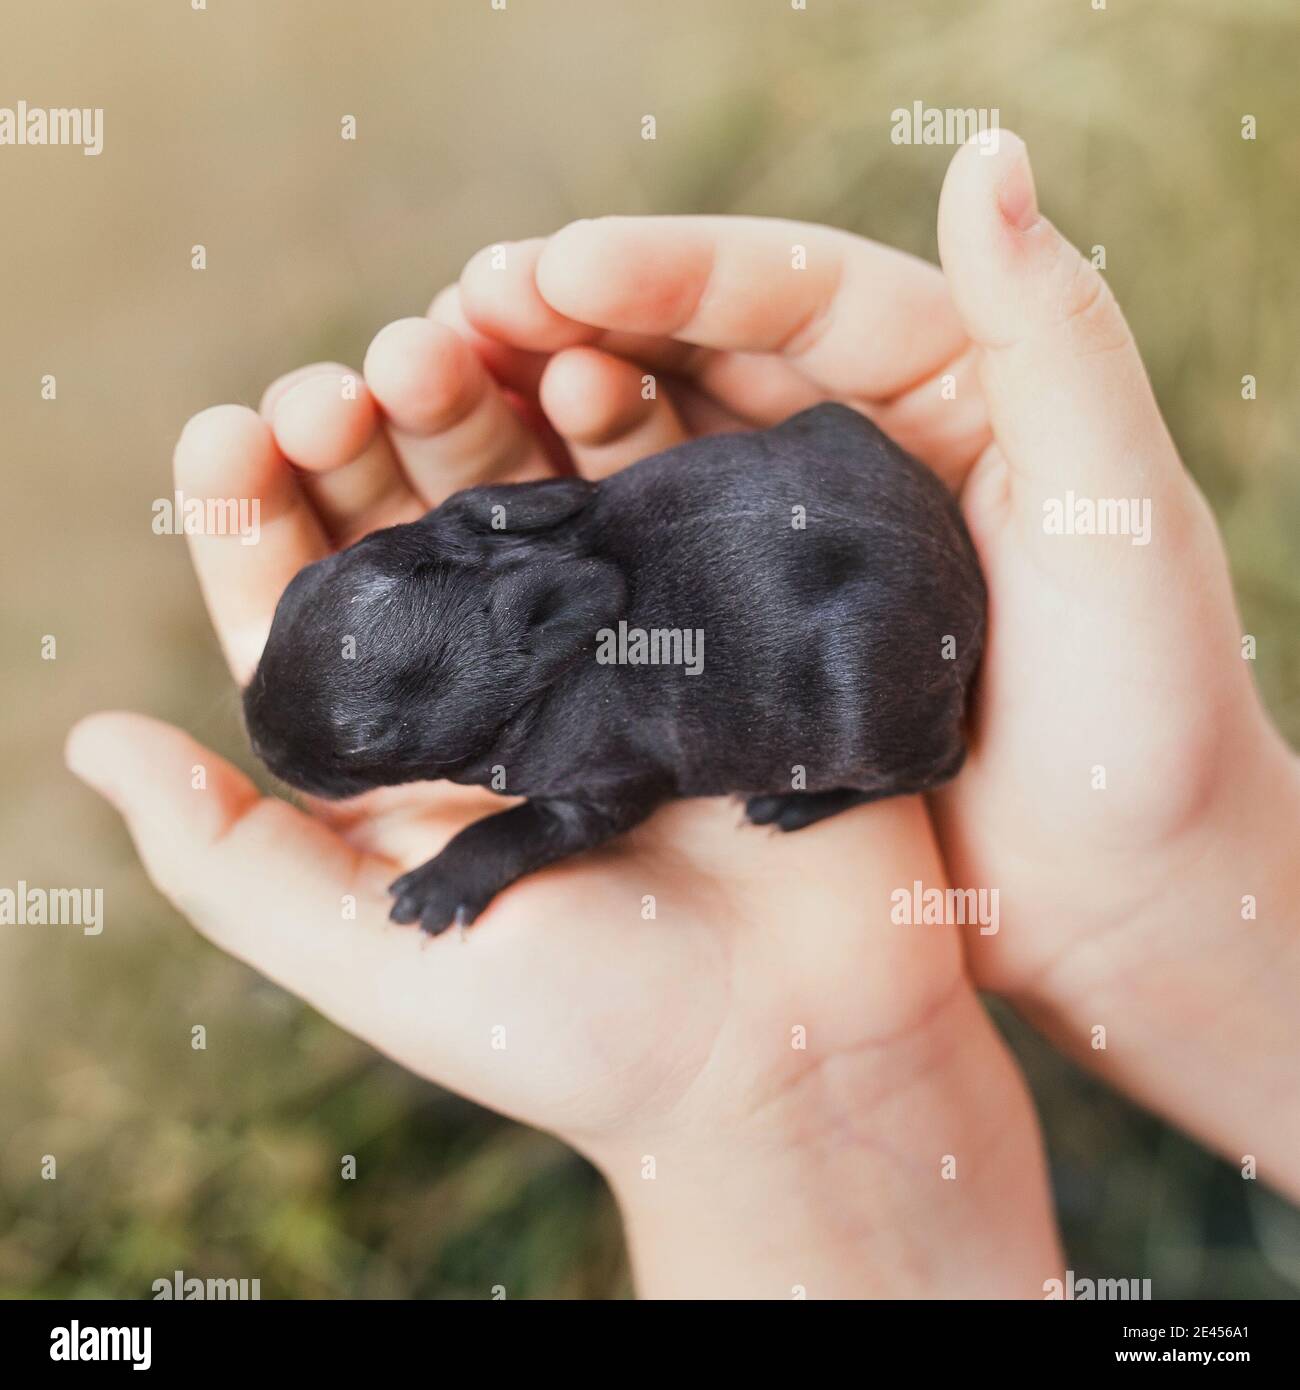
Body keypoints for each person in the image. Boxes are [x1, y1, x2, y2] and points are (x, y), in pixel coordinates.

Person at [66, 132, 1299, 1297]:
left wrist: (480, 855)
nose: (308, 765)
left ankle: (884, 766)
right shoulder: (504, 518)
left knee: (870, 710)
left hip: (869, 629)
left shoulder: (571, 712)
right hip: (845, 464)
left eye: (379, 752)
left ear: (537, 638)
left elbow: (594, 805)